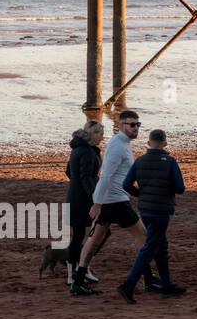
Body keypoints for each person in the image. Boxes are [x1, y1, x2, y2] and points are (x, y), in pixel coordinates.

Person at [74, 110, 160, 292]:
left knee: (94, 240)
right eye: (131, 124)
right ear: (120, 125)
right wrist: (97, 203)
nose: (136, 128)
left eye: (138, 124)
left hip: (110, 200)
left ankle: (78, 281)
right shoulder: (117, 146)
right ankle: (149, 280)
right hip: (115, 201)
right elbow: (105, 176)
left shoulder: (123, 143)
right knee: (143, 236)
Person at [117, 129, 188, 302]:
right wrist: (165, 188)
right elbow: (180, 188)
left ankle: (166, 285)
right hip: (161, 210)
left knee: (160, 247)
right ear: (164, 143)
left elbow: (126, 184)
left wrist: (141, 194)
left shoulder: (140, 161)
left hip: (145, 209)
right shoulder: (170, 161)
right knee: (150, 248)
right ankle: (128, 285)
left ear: (148, 143)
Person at [64, 120, 104, 296]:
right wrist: (96, 198)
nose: (102, 137)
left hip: (74, 196)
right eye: (100, 133)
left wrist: (76, 185)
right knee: (99, 232)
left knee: (79, 234)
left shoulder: (76, 148)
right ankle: (82, 266)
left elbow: (68, 172)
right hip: (83, 199)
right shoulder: (87, 151)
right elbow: (87, 177)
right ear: (92, 134)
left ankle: (74, 272)